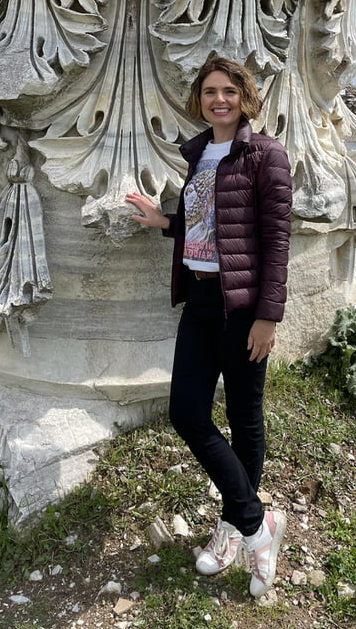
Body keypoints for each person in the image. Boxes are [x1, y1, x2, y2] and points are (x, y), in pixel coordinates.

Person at [125, 55, 292, 597]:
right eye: (210, 91)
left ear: (245, 97)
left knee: (244, 417)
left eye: (229, 91)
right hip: (199, 301)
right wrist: (165, 222)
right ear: (199, 99)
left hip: (242, 307)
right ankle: (257, 523)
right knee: (187, 413)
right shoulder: (197, 154)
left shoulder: (266, 155)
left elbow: (276, 242)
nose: (219, 99)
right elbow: (208, 227)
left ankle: (232, 526)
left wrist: (267, 315)